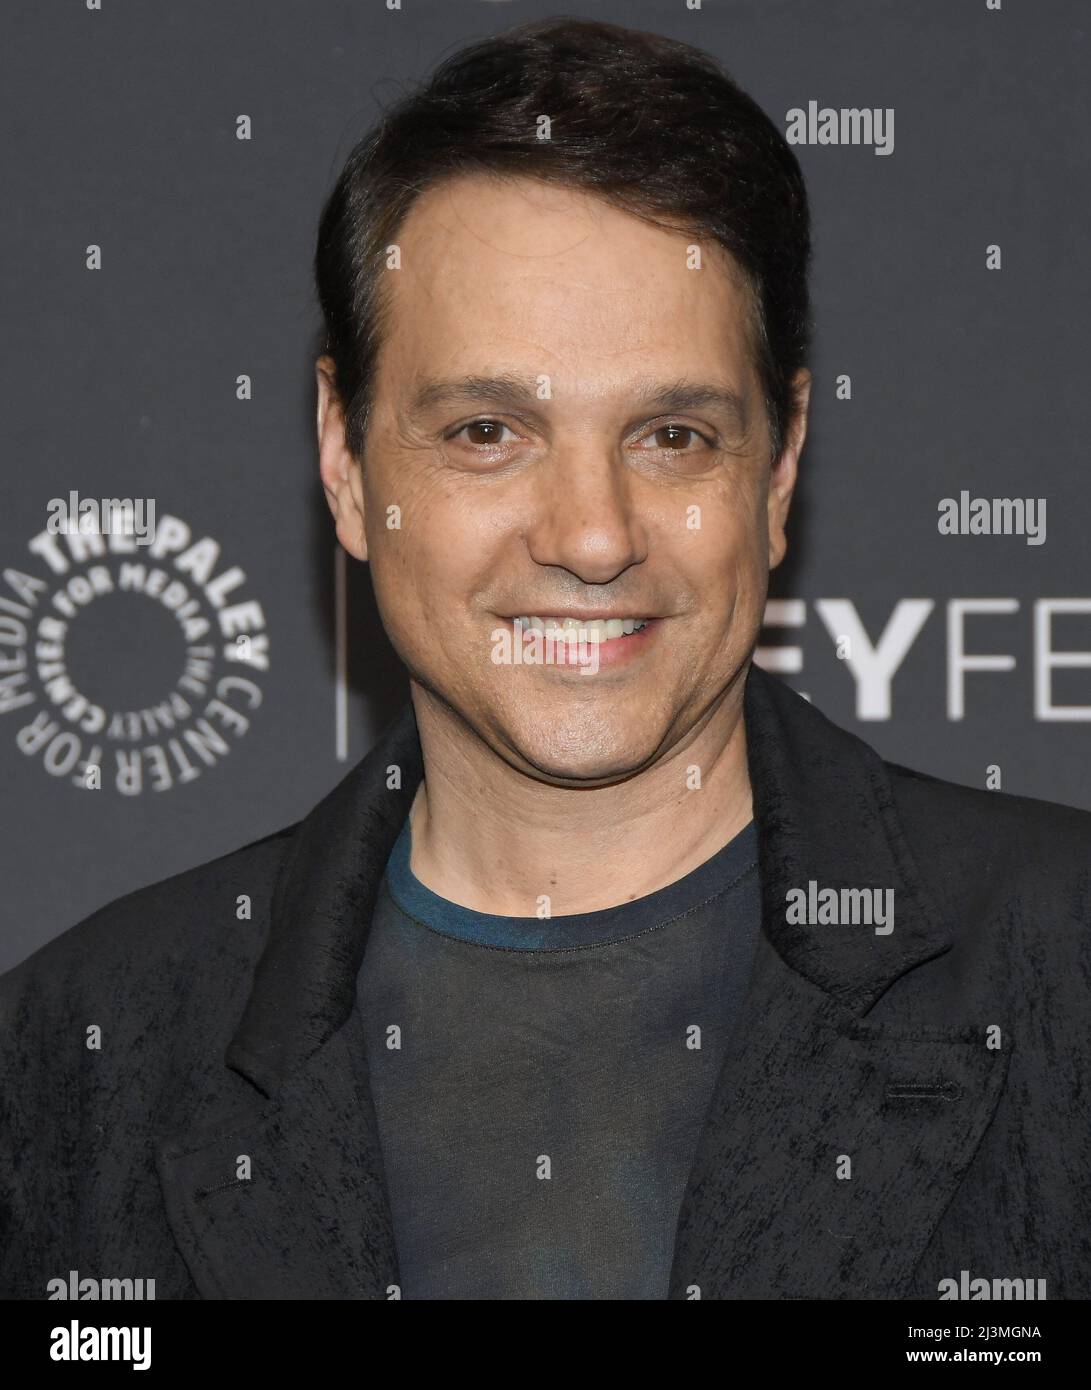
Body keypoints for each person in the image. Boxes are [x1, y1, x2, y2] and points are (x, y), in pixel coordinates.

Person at [2, 17, 1088, 1302]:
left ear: (779, 465)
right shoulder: (77, 1052)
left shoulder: (1059, 964)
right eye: (485, 430)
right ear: (345, 461)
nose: (590, 534)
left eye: (673, 434)